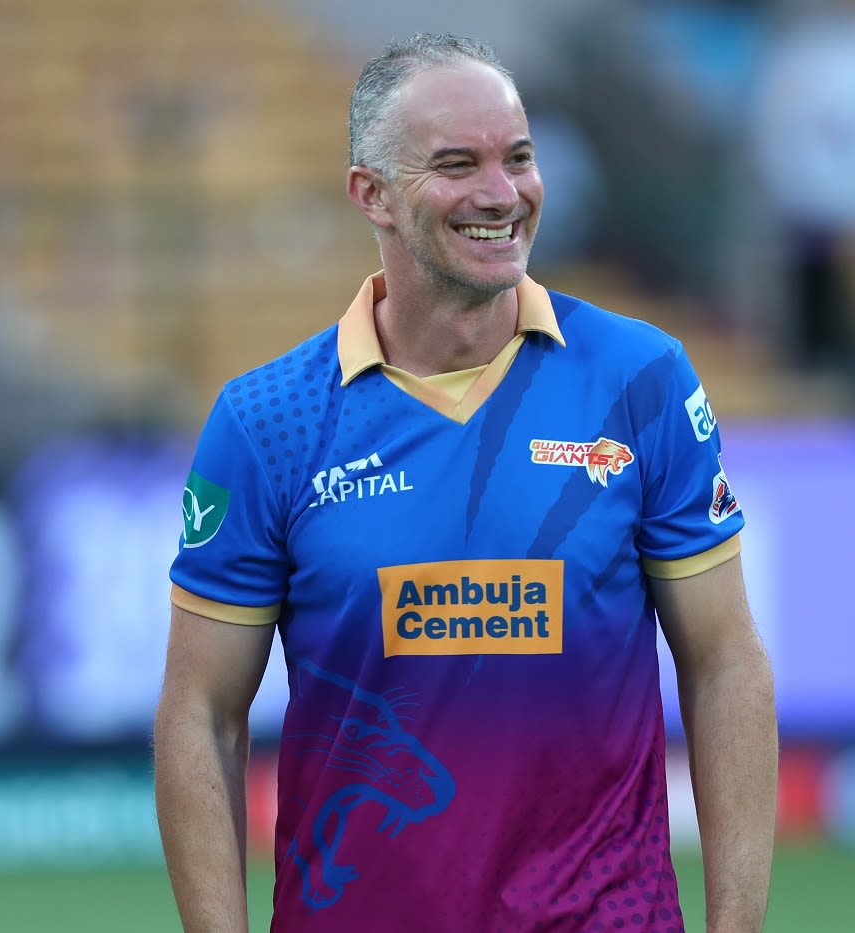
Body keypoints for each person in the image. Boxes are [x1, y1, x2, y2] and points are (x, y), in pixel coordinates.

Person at [154, 33, 776, 932]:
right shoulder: (268, 422)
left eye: (519, 157)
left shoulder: (642, 379)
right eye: (457, 164)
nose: (502, 193)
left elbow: (724, 663)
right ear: (371, 194)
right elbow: (199, 714)